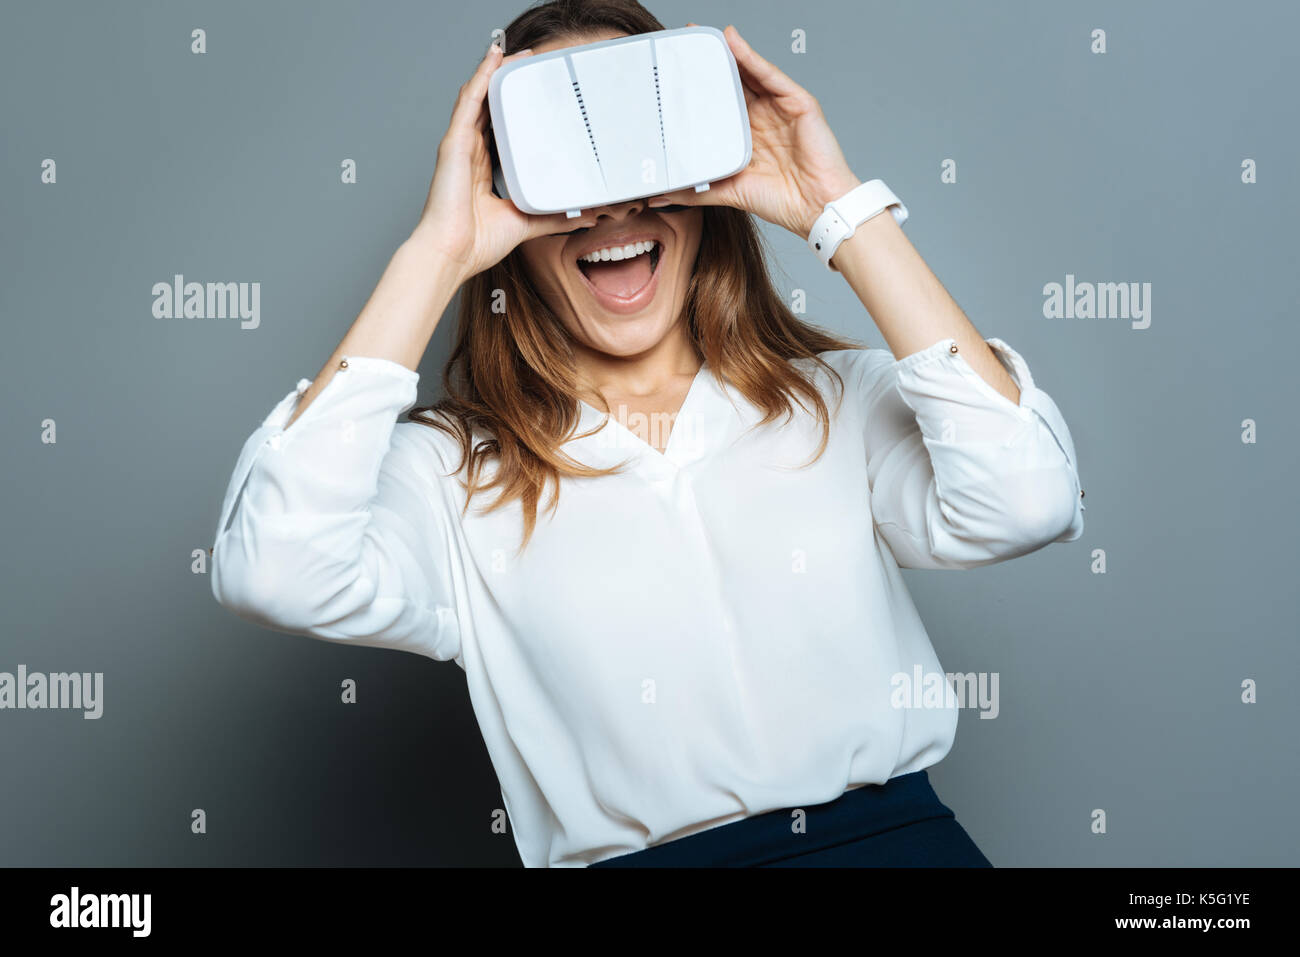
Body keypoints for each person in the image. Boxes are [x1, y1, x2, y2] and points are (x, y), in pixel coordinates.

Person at [210, 0, 1084, 868]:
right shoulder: (452, 475)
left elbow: (1026, 501)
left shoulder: (833, 400)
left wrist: (838, 206)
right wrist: (436, 251)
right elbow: (275, 570)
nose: (608, 210)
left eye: (642, 150)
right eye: (565, 160)